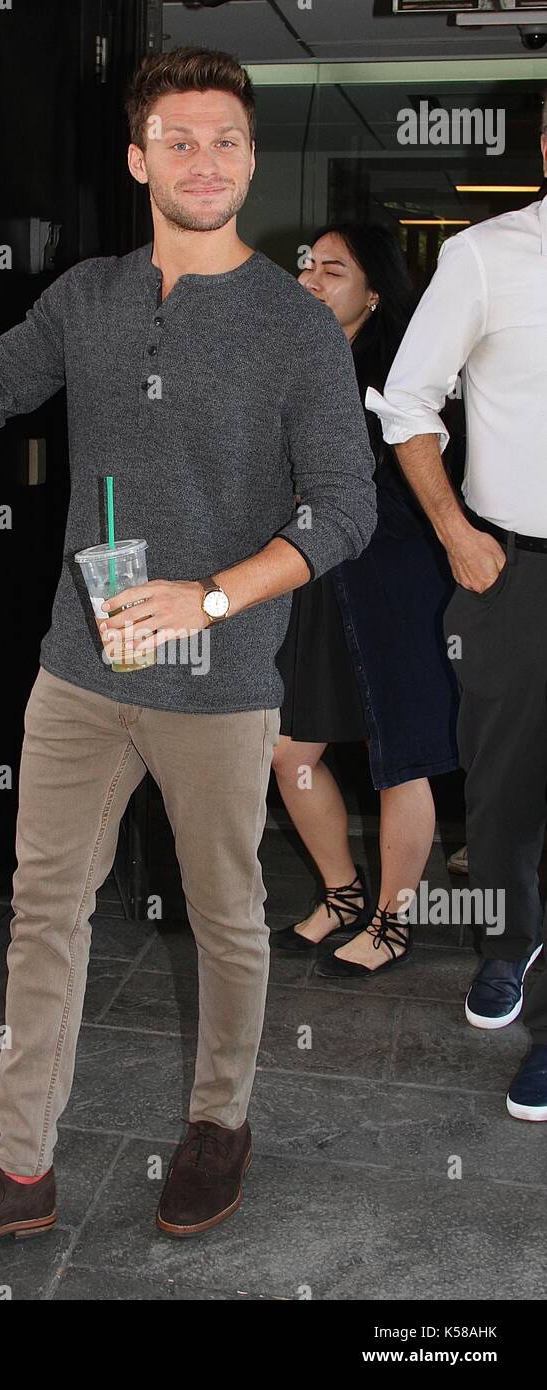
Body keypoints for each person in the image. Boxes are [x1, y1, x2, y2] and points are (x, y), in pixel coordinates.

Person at [0, 46, 376, 1252]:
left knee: (225, 919)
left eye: (224, 138)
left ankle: (218, 1122)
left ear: (251, 157)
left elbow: (344, 508)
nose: (203, 159)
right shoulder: (89, 296)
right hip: (78, 672)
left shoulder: (296, 327)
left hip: (218, 681)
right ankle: (21, 1169)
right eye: (177, 138)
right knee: (43, 915)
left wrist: (208, 600)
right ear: (137, 159)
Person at [367, 94, 547, 1120]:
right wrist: (453, 531)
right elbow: (405, 402)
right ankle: (510, 937)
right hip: (508, 573)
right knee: (506, 792)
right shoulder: (483, 257)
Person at [271, 223, 459, 977]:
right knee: (291, 753)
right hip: (310, 580)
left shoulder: (402, 378)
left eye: (334, 270)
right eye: (307, 266)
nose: (311, 279)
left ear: (374, 293)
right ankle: (343, 894)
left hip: (390, 582)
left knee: (397, 756)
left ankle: (391, 920)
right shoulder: (291, 366)